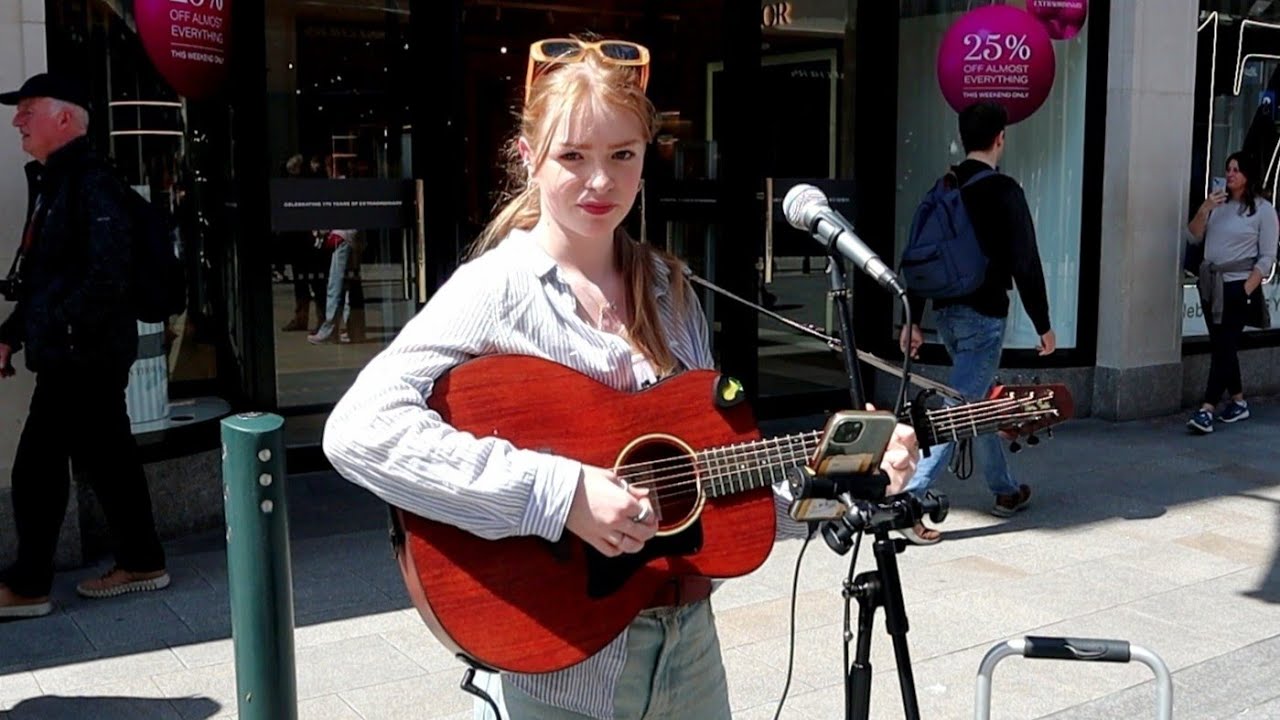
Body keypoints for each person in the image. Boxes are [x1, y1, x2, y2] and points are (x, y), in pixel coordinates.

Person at [323, 38, 919, 719]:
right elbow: (358, 430)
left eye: (622, 156)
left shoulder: (668, 287)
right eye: (573, 157)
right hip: (564, 670)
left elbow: (711, 478)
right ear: (529, 158)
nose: (601, 182)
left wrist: (847, 476)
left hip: (689, 653)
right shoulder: (497, 288)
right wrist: (562, 494)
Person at [0, 73, 170, 619]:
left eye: (28, 109)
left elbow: (106, 276)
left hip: (82, 357)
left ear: (65, 118)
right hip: (79, 351)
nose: (17, 120)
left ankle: (29, 585)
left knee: (36, 469)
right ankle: (142, 561)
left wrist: (52, 327)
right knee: (110, 459)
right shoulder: (58, 181)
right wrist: (13, 333)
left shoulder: (90, 183)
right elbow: (46, 278)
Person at [898, 100, 1054, 545]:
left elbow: (921, 256)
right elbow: (1025, 261)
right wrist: (1043, 323)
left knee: (977, 399)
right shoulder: (1004, 191)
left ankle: (1005, 490)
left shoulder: (944, 187)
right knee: (958, 410)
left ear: (963, 138)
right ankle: (908, 502)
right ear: (1000, 138)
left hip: (946, 315)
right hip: (984, 317)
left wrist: (912, 319)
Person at [1185, 151, 1278, 434]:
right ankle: (1238, 401)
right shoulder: (1218, 205)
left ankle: (1207, 408)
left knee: (1224, 346)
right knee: (1222, 346)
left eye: (1236, 170)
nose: (1230, 174)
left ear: (1248, 174)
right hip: (1211, 282)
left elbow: (1267, 256)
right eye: (1228, 169)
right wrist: (1205, 208)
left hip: (1237, 283)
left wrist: (1247, 287)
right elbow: (1193, 236)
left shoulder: (1263, 210)